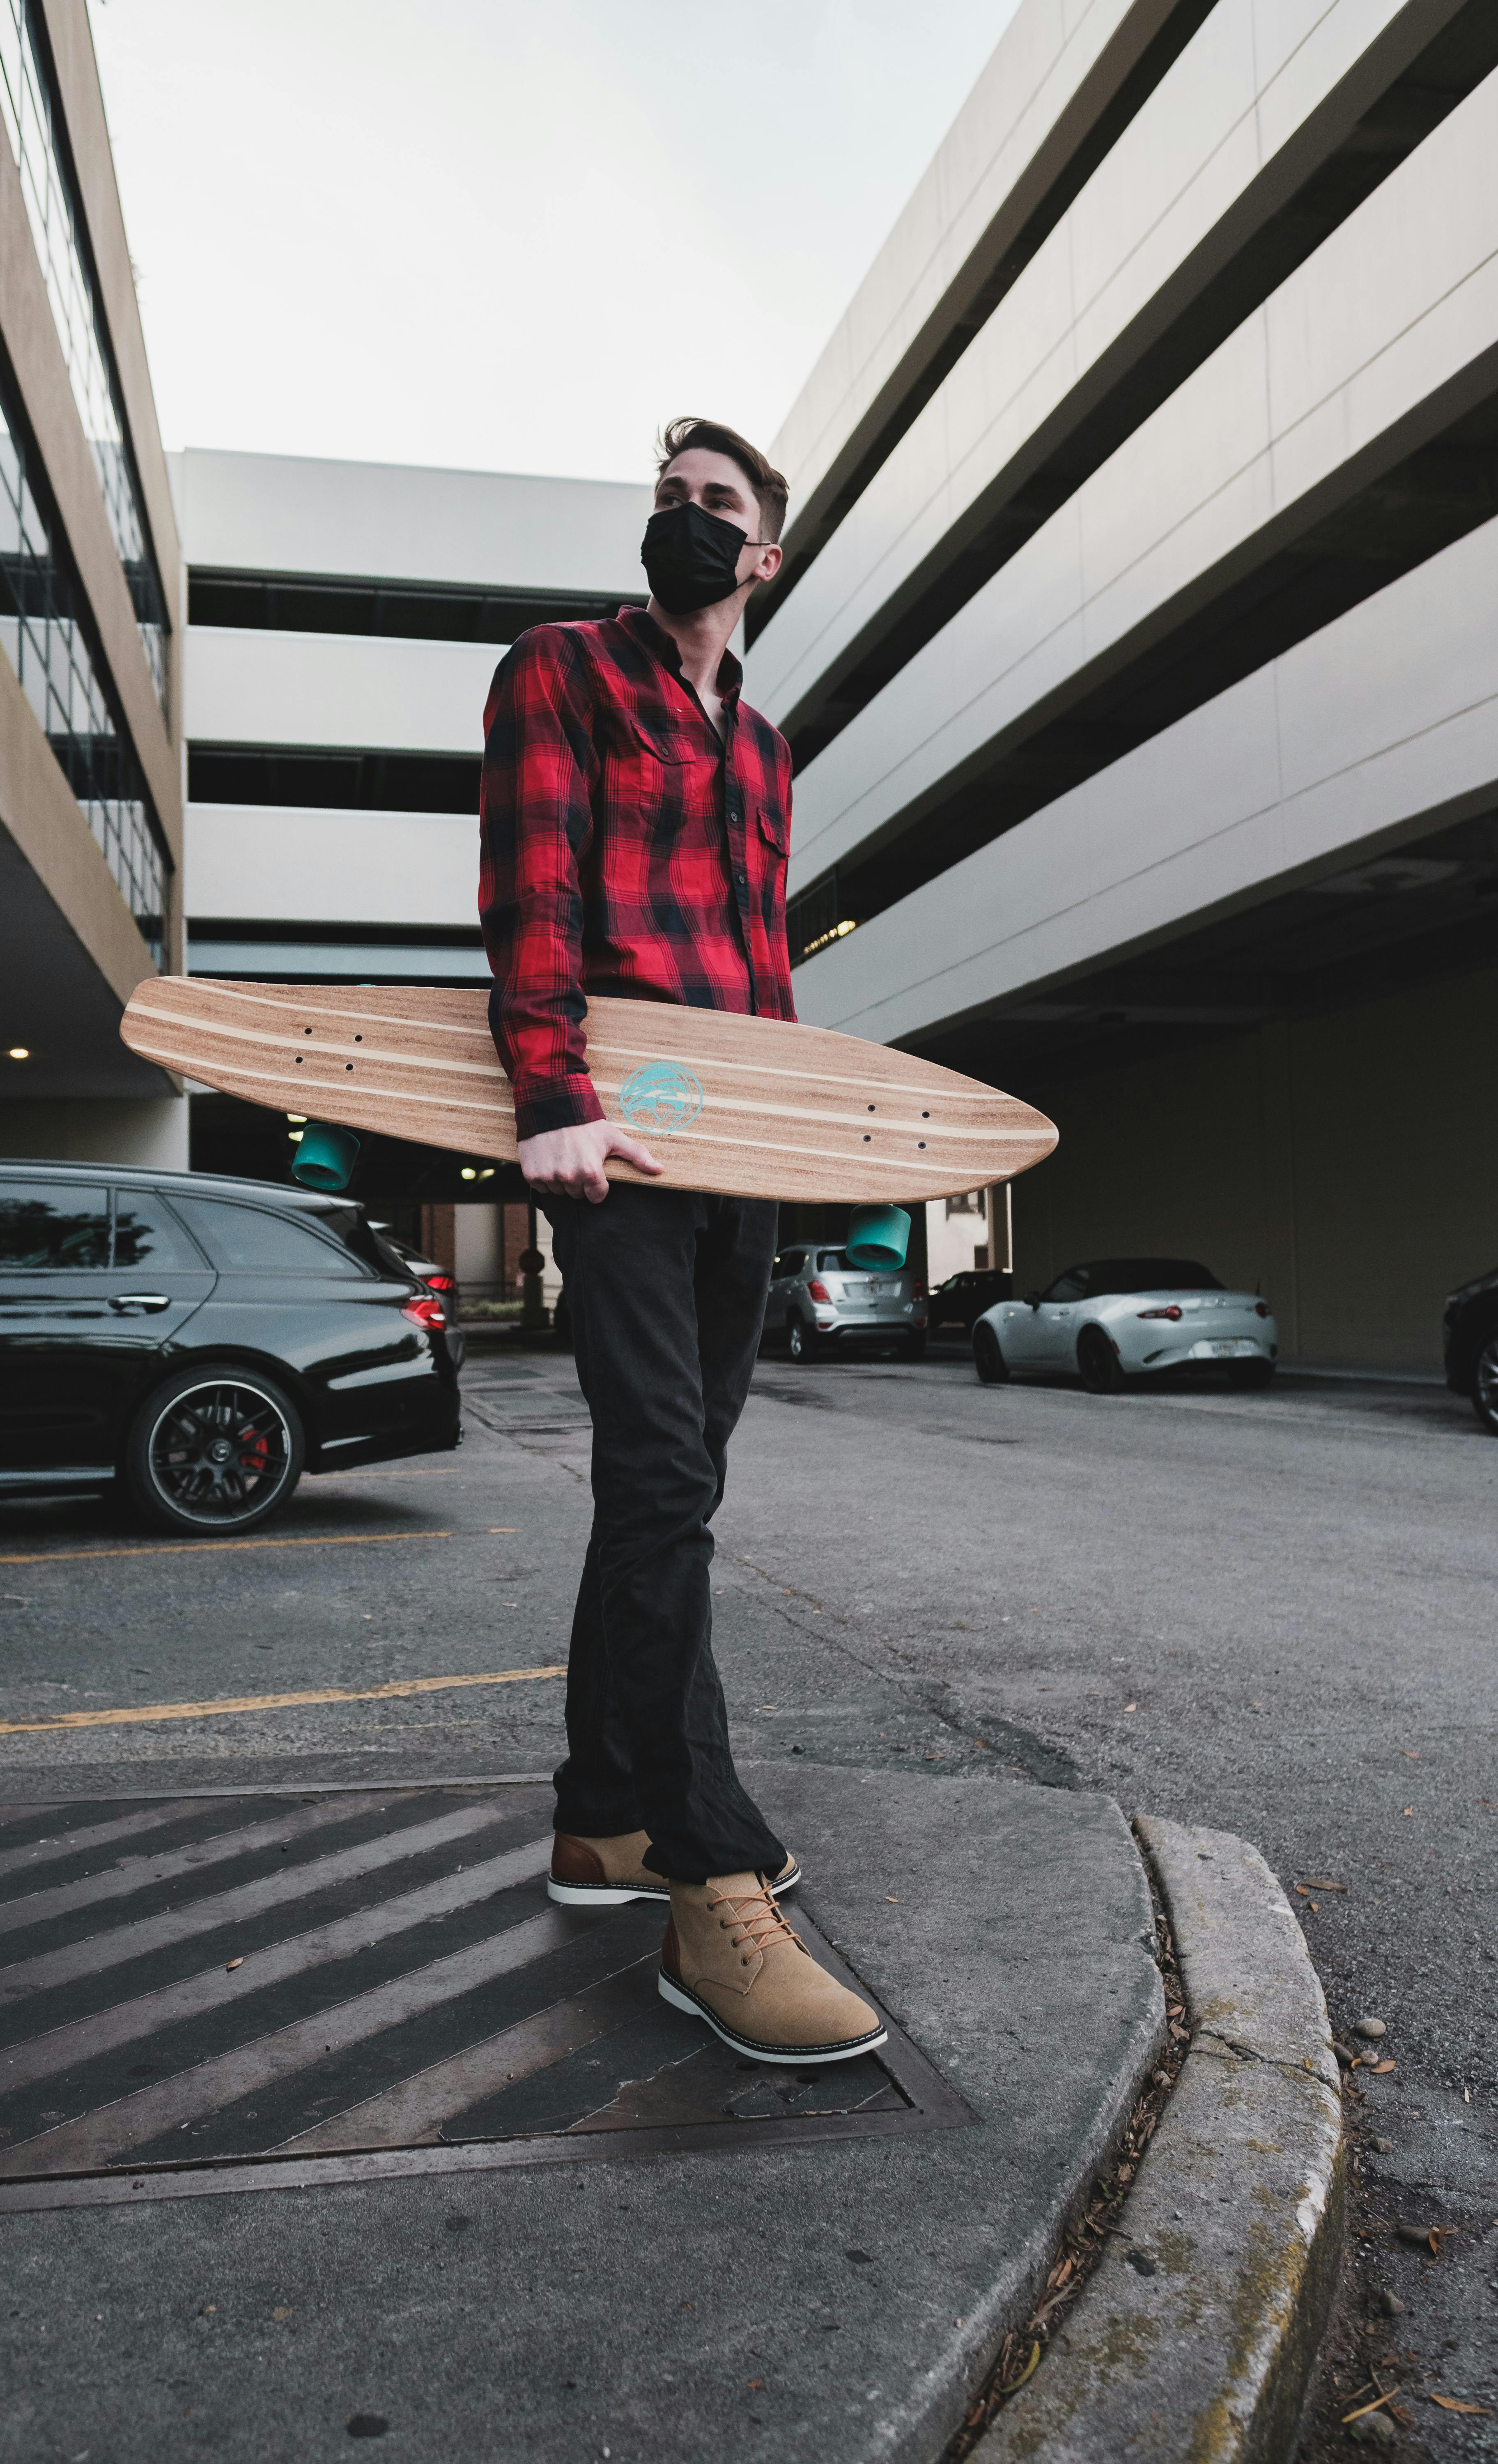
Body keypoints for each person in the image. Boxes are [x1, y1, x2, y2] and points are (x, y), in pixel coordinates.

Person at [478, 417, 883, 2065]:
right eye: (668, 503)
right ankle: (707, 1882)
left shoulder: (769, 746)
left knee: (677, 1485)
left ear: (761, 554)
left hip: (742, 1150)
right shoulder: (564, 668)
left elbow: (765, 971)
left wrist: (792, 1134)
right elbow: (532, 893)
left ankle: (602, 1816)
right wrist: (549, 1092)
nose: (684, 525)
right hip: (619, 1142)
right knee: (658, 1480)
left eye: (713, 508)